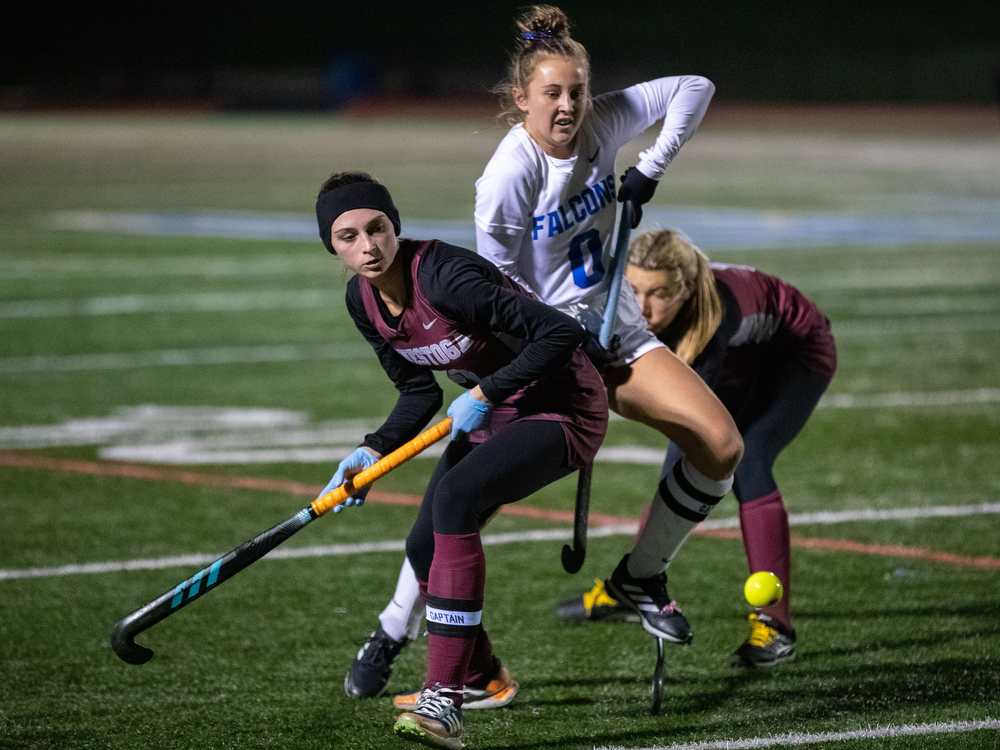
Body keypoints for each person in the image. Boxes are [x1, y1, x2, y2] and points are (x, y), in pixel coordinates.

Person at [343, 2, 743, 704]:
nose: (567, 106)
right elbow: (497, 294)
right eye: (551, 94)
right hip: (547, 350)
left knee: (719, 444)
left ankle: (640, 576)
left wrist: (649, 165)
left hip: (615, 332)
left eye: (577, 91)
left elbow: (694, 88)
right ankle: (395, 626)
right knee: (455, 508)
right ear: (519, 100)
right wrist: (555, 336)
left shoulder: (601, 120)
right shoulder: (506, 179)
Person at [316, 171, 608, 748]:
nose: (368, 247)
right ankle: (481, 678)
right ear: (333, 245)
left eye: (377, 229)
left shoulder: (448, 278)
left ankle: (442, 700)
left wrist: (485, 392)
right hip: (498, 409)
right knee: (423, 548)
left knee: (455, 498)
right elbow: (418, 393)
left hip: (562, 407)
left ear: (394, 226)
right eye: (348, 237)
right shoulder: (362, 299)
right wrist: (372, 449)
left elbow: (559, 334)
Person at [564, 229, 837, 668]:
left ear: (687, 289)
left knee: (744, 462)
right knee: (684, 472)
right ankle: (632, 584)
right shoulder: (633, 304)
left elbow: (693, 437)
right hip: (742, 355)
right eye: (633, 290)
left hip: (794, 356)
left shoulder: (712, 318)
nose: (643, 308)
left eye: (659, 294)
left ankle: (777, 626)